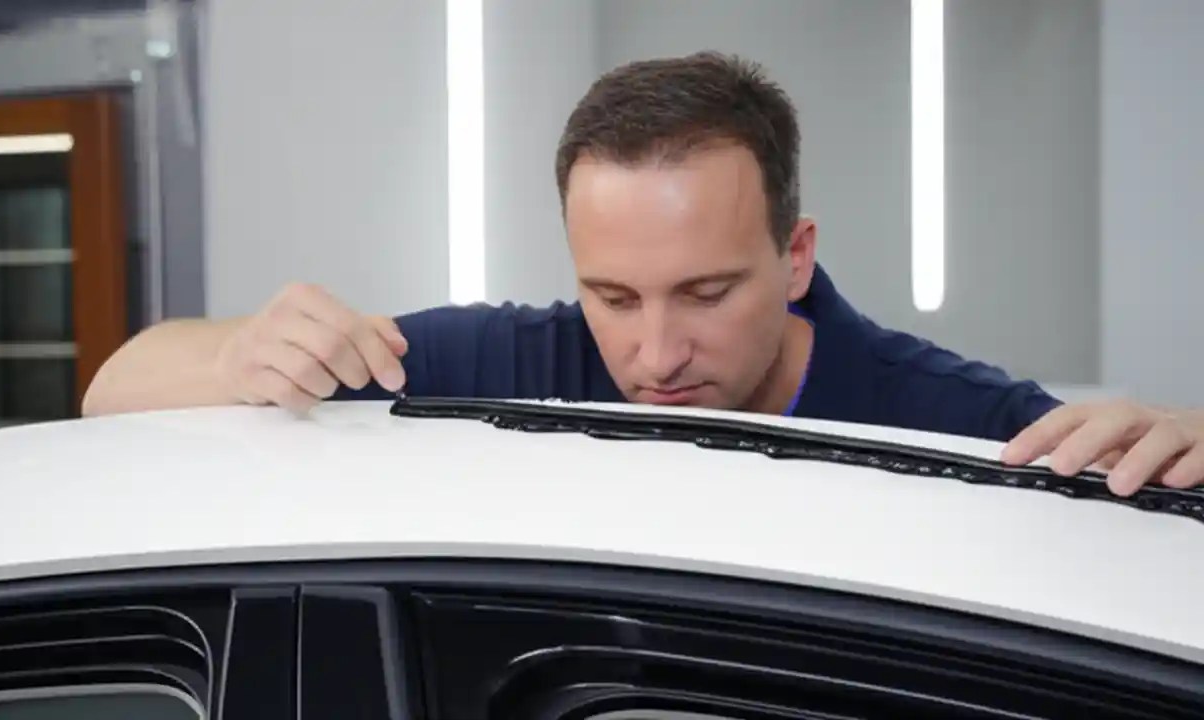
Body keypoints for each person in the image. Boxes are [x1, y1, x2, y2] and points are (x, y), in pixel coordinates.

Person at [82, 51, 1203, 498]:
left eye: (706, 294)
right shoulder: (512, 361)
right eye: (612, 297)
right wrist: (234, 354)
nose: (652, 356)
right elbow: (113, 387)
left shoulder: (963, 424)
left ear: (795, 255)